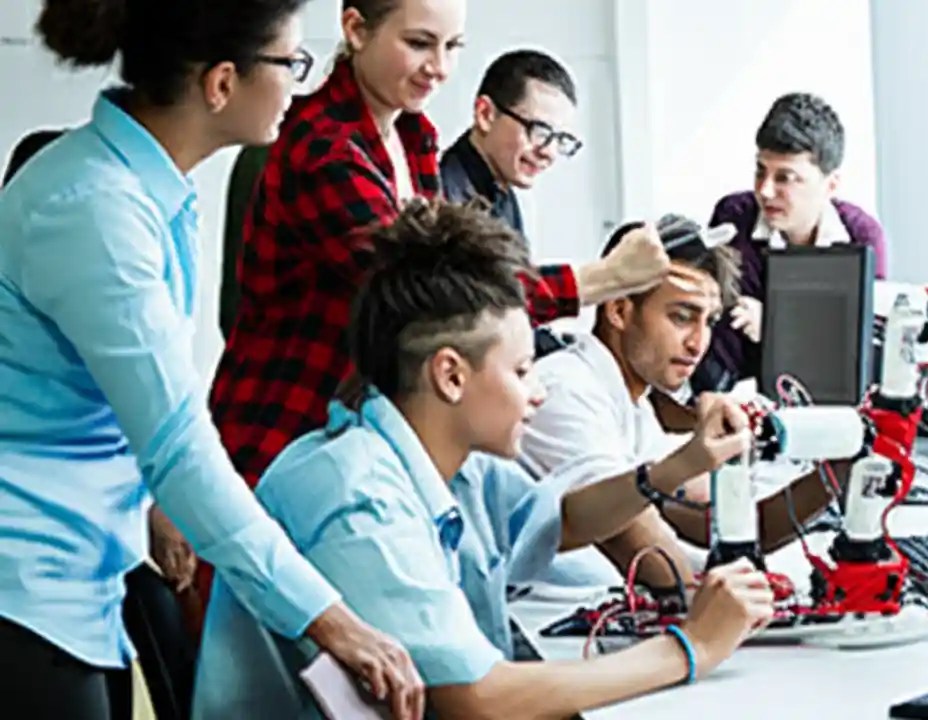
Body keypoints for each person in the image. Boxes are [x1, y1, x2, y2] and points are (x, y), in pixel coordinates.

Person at [0, 2, 424, 719]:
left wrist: (162, 500)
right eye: (291, 63)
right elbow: (178, 448)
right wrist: (331, 620)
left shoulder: (150, 188)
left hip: (84, 572)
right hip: (27, 580)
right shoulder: (94, 207)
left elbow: (145, 402)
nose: (300, 84)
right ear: (222, 83)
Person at [194, 199, 775, 719]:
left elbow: (564, 520)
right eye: (521, 371)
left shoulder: (452, 464)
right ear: (450, 374)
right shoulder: (359, 496)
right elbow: (475, 697)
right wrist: (690, 648)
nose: (538, 390)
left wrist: (676, 467)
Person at [210, 0, 671, 498]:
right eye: (419, 44)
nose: (441, 69)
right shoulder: (325, 149)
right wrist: (602, 278)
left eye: (452, 47)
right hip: (283, 434)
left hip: (357, 441)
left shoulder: (413, 137)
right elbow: (438, 294)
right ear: (356, 29)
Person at [520, 216, 848, 592]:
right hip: (549, 631)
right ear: (619, 311)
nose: (698, 343)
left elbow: (725, 526)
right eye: (681, 317)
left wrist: (841, 468)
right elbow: (662, 568)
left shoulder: (633, 404)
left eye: (709, 321)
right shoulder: (567, 390)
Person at [692, 92, 888, 395]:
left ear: (830, 185)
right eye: (760, 171)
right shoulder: (734, 220)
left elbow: (857, 350)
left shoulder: (861, 238)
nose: (765, 191)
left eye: (785, 178)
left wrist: (776, 329)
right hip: (744, 401)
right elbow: (724, 337)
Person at [439, 48, 580, 238]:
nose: (550, 152)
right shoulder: (444, 204)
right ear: (485, 114)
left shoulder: (500, 192)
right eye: (540, 131)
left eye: (559, 139)